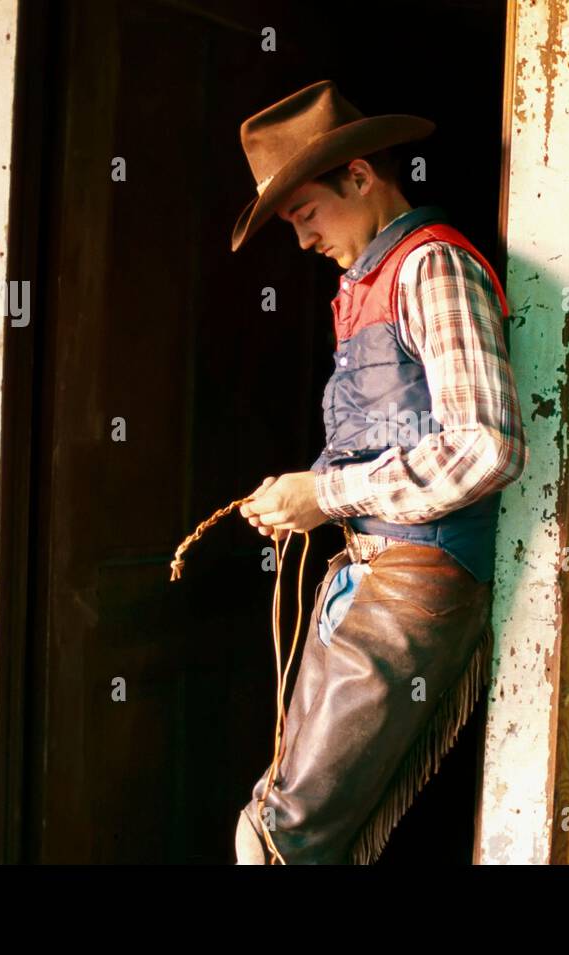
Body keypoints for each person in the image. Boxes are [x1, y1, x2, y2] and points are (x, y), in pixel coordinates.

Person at [229, 79, 527, 864]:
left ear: (360, 176)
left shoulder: (430, 266)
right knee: (287, 828)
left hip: (418, 581)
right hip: (370, 574)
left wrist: (326, 493)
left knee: (276, 836)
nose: (301, 241)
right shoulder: (363, 283)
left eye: (306, 215)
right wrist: (302, 493)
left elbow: (485, 445)